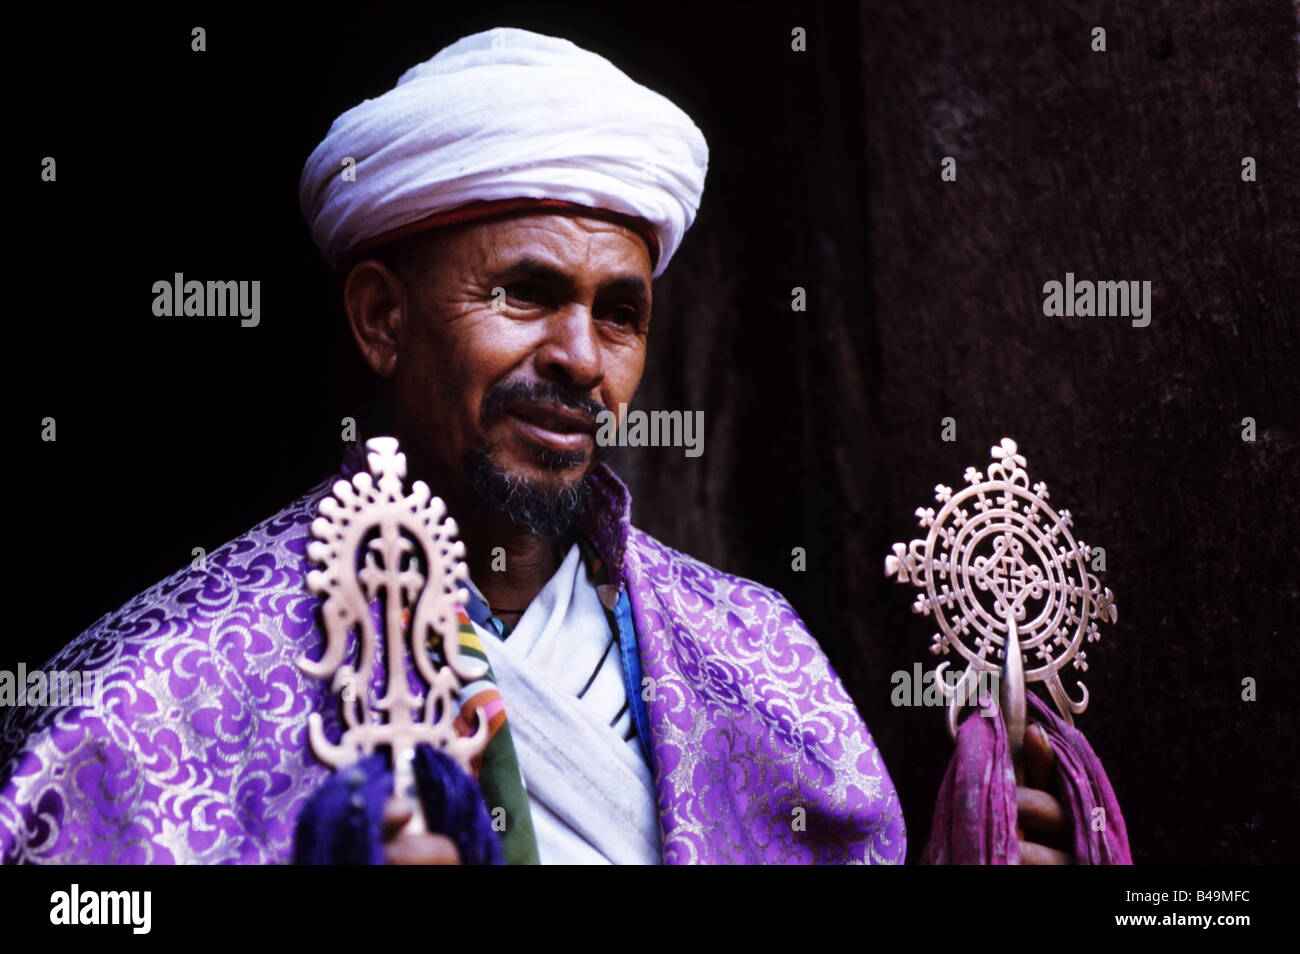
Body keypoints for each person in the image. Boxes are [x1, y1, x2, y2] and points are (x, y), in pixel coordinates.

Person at [0, 27, 1086, 865]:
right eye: (524, 292)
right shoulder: (147, 705)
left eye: (619, 311)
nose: (579, 356)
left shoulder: (759, 661)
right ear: (382, 319)